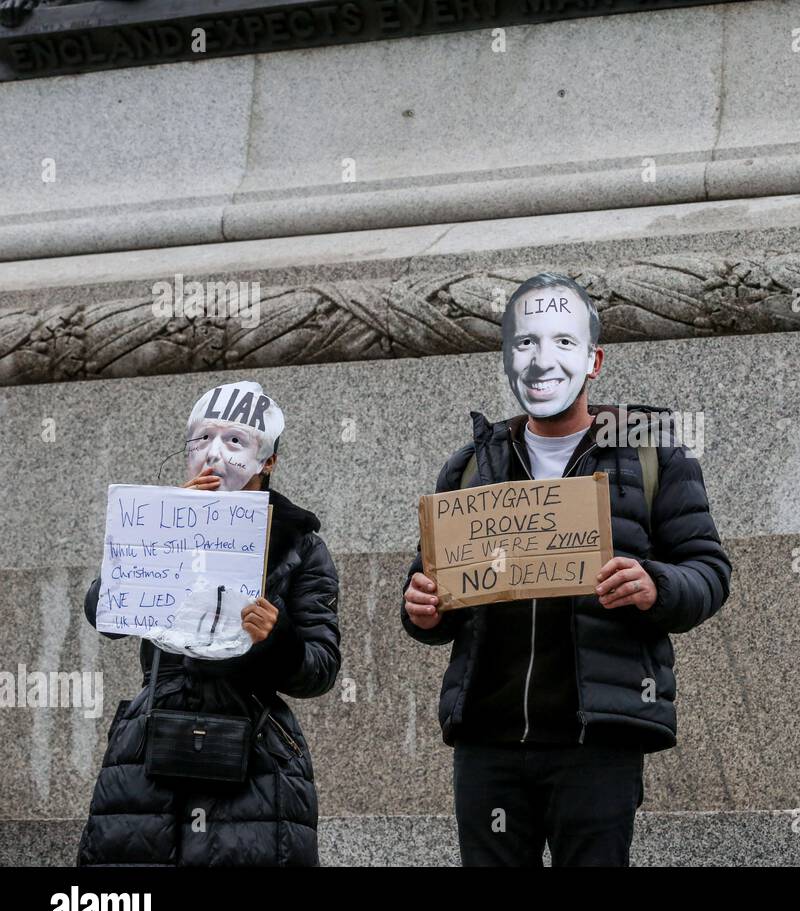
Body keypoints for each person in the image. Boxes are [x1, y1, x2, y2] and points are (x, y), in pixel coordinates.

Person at [402, 272, 731, 867]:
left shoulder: (653, 453)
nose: (541, 360)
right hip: (488, 743)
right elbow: (430, 583)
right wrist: (421, 606)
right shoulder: (472, 464)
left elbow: (709, 572)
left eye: (563, 342)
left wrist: (655, 586)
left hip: (595, 739)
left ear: (593, 360)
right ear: (506, 359)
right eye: (524, 343)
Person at [78, 381, 341, 866]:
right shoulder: (158, 521)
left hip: (254, 752)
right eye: (201, 439)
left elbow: (320, 668)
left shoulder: (302, 547)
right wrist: (160, 535)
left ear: (268, 460)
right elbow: (104, 614)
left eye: (235, 441)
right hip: (152, 743)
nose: (213, 455)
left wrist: (275, 639)